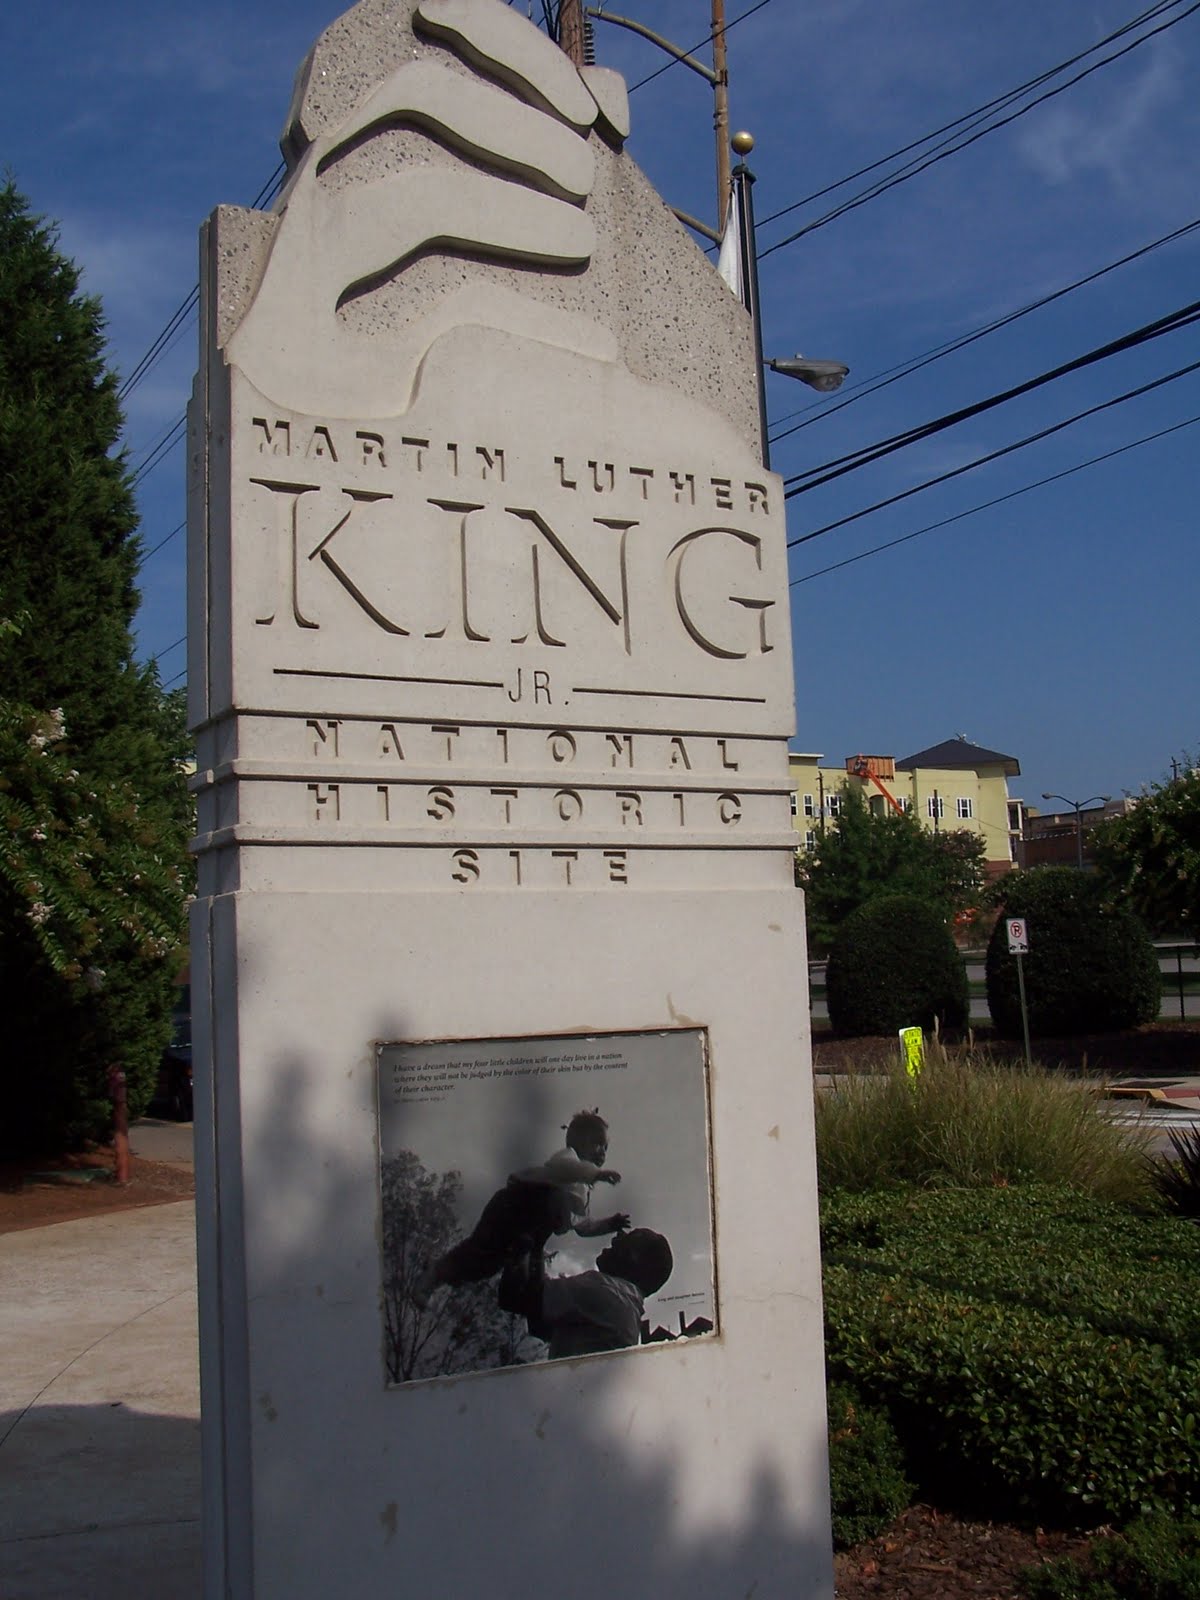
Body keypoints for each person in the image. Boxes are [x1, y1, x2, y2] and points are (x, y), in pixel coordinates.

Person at [415, 1110, 629, 1304]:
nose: (603, 1152)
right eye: (598, 1144)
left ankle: (437, 1274)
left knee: (487, 1264)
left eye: (606, 1148)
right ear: (578, 1142)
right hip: (514, 1204)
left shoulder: (582, 1192)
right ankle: (442, 1270)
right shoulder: (567, 1158)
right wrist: (596, 1174)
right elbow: (565, 1169)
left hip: (527, 1226)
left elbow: (583, 1226)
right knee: (483, 1249)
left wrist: (610, 1224)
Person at [499, 1227, 674, 1359]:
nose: (619, 1234)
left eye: (631, 1237)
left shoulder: (605, 1291)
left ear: (635, 1258)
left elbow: (514, 1296)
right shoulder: (625, 1310)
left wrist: (524, 1234)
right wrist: (536, 1244)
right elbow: (539, 1324)